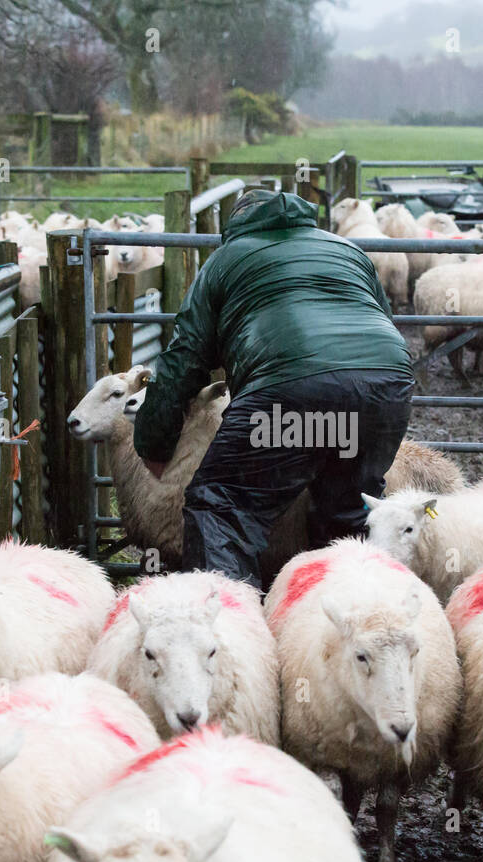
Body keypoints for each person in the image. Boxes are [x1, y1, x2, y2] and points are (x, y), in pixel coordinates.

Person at [132, 189, 414, 590]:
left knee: (220, 504)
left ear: (238, 222)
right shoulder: (346, 249)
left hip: (289, 393)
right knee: (347, 512)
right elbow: (380, 322)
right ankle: (345, 622)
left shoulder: (226, 259)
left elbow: (185, 357)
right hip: (385, 385)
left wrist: (155, 444)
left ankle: (231, 625)